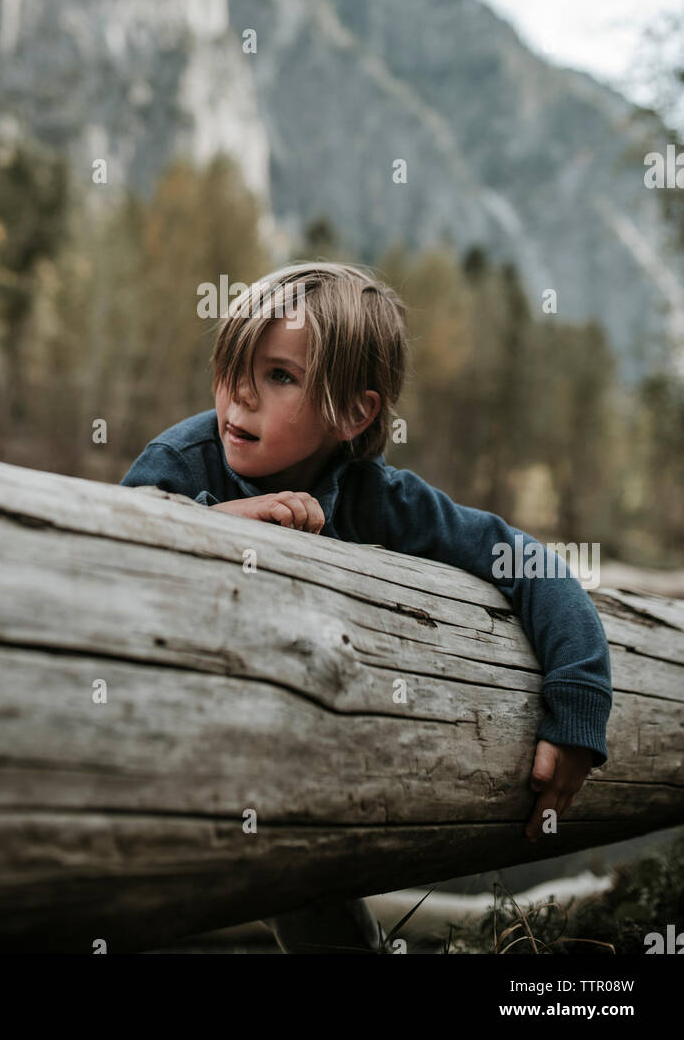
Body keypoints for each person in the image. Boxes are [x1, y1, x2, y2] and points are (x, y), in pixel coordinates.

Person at [120, 261, 612, 953]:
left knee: (309, 888)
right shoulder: (178, 464)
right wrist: (222, 523)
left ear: (354, 412)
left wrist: (578, 703)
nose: (238, 394)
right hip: (158, 761)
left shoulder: (380, 499)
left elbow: (527, 562)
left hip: (298, 779)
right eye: (232, 364)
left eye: (279, 376)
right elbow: (118, 545)